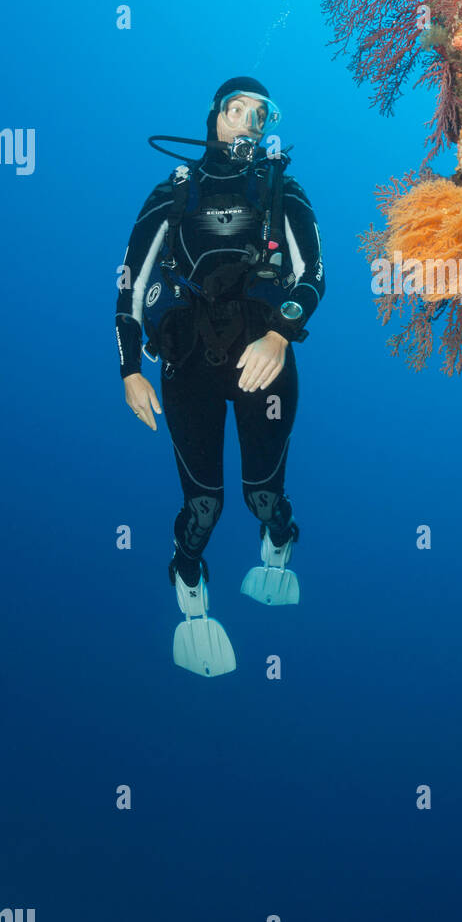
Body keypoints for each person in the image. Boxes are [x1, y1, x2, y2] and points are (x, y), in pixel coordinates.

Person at [115, 77, 325, 677]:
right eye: (239, 110)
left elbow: (314, 272)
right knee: (203, 509)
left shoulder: (281, 189)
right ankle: (188, 579)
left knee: (263, 498)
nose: (250, 123)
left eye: (261, 114)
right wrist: (130, 370)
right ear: (214, 117)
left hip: (266, 359)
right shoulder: (172, 193)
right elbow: (130, 283)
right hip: (187, 365)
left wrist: (281, 333)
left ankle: (279, 536)